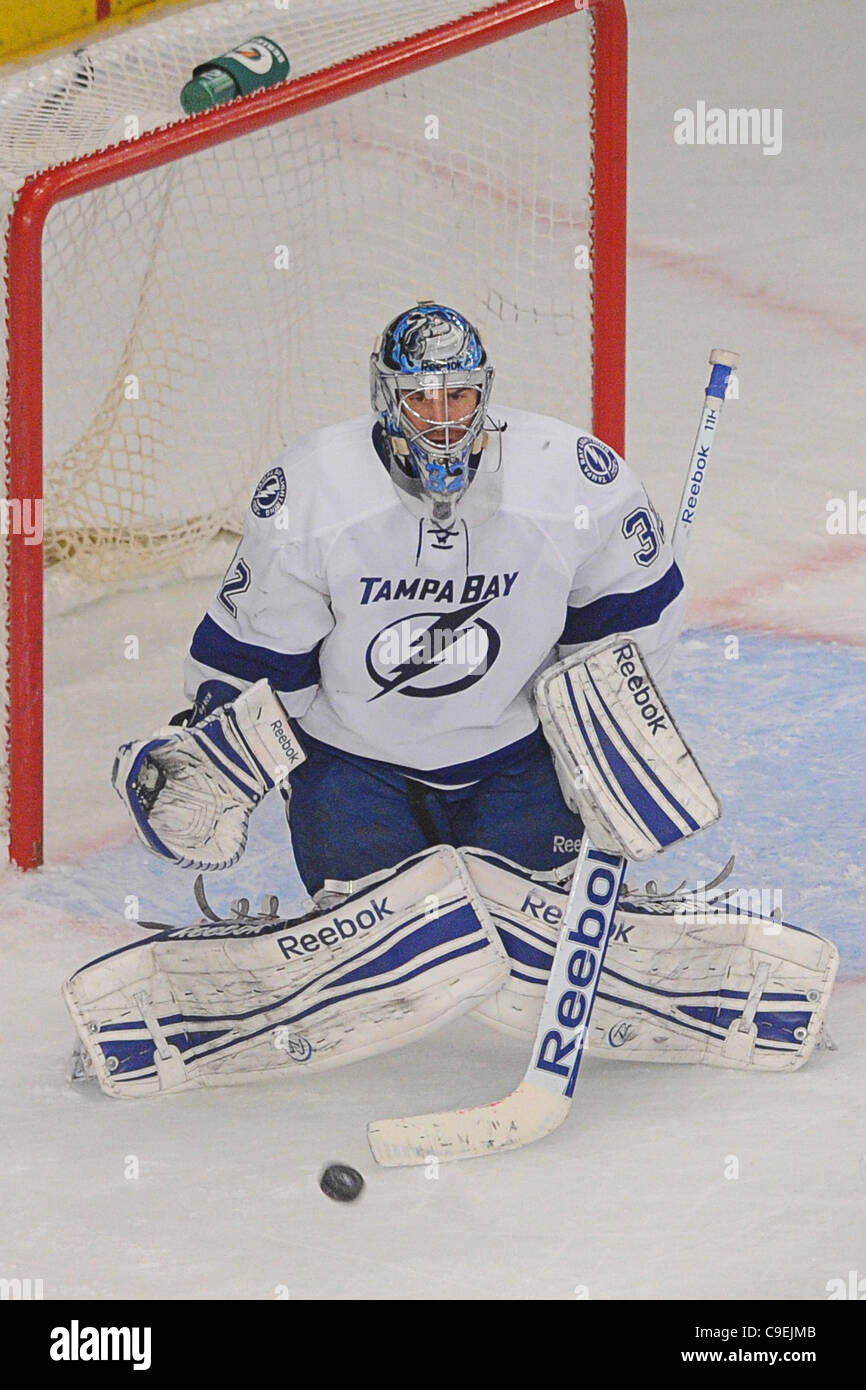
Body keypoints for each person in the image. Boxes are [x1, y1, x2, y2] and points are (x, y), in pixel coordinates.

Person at [179, 301, 685, 898]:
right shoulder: (314, 492)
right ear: (387, 398)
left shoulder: (570, 483)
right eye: (420, 399)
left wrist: (605, 738)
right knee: (381, 955)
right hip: (354, 767)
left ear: (484, 394)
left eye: (459, 397)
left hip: (516, 759)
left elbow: (628, 619)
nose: (442, 422)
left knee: (530, 938)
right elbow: (258, 657)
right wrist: (210, 750)